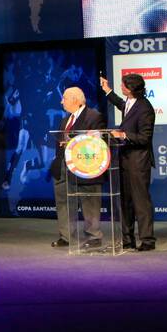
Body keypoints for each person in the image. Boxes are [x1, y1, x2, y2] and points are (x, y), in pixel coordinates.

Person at [101, 72, 157, 251]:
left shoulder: (145, 108)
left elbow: (145, 138)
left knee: (141, 202)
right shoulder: (130, 103)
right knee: (125, 202)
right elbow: (121, 104)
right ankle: (127, 239)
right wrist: (107, 90)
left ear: (131, 88)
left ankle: (147, 240)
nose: (121, 87)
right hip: (125, 160)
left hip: (139, 162)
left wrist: (124, 135)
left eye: (123, 85)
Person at [51, 86, 105, 249]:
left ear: (75, 99)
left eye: (65, 98)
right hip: (62, 165)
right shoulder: (65, 119)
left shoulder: (94, 116)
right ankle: (66, 236)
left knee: (89, 201)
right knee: (63, 202)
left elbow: (95, 142)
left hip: (84, 166)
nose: (62, 101)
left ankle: (94, 236)